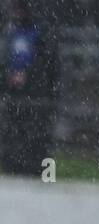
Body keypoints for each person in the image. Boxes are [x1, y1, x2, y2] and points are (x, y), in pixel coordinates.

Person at [2, 0, 61, 176]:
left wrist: (29, 76)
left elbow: (50, 66)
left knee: (39, 140)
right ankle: (12, 171)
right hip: (15, 97)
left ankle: (45, 175)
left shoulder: (42, 31)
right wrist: (8, 77)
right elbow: (6, 61)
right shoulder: (11, 31)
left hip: (37, 98)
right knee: (13, 138)